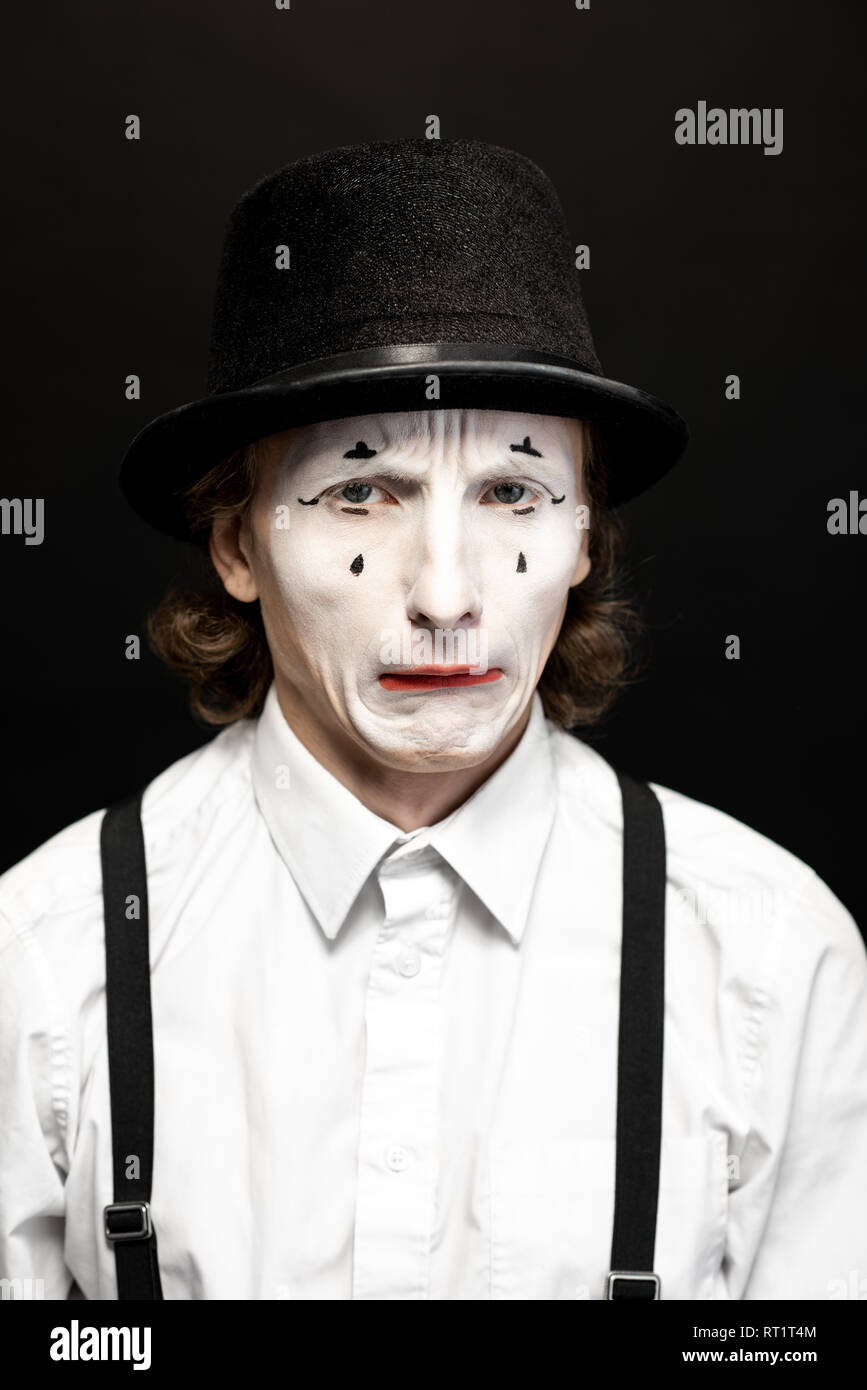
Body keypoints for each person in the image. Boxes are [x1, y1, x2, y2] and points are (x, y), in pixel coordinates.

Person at [1, 137, 865, 1302]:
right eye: (361, 491)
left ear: (585, 539)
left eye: (513, 492)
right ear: (238, 543)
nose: (447, 594)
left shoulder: (775, 956)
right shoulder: (39, 961)